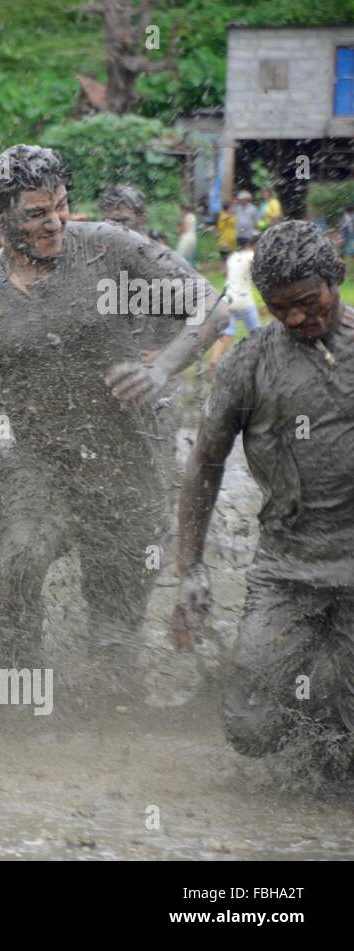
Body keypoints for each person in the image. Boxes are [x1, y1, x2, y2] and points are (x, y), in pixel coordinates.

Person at [0, 144, 229, 698]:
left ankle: (107, 722)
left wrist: (163, 369)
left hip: (128, 460)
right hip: (39, 461)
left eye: (60, 205)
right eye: (35, 213)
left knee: (113, 631)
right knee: (19, 561)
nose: (53, 222)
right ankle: (15, 695)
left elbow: (212, 306)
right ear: (2, 217)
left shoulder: (108, 248)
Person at [171, 221, 354, 765]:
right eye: (279, 307)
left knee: (339, 718)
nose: (297, 318)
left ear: (334, 279)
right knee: (249, 725)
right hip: (286, 567)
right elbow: (205, 465)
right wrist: (191, 569)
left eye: (306, 301)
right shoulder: (247, 364)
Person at [207, 234, 261, 371]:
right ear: (254, 245)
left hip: (228, 299)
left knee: (227, 333)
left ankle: (214, 360)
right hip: (244, 301)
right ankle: (259, 360)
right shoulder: (251, 256)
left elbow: (224, 273)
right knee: (257, 333)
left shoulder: (233, 257)